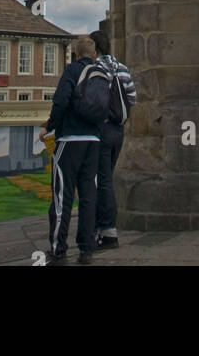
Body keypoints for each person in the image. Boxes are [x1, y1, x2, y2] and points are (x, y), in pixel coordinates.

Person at [43, 34, 101, 265]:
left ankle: (58, 250)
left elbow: (61, 101)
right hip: (94, 140)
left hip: (70, 140)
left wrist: (50, 126)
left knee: (62, 196)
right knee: (88, 196)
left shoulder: (71, 71)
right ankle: (87, 249)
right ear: (94, 54)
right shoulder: (102, 73)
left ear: (76, 54)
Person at [90, 28, 136, 251]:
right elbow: (132, 98)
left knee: (103, 181)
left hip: (101, 129)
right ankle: (104, 228)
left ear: (95, 48)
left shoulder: (95, 69)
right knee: (107, 178)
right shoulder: (122, 68)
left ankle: (107, 231)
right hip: (118, 130)